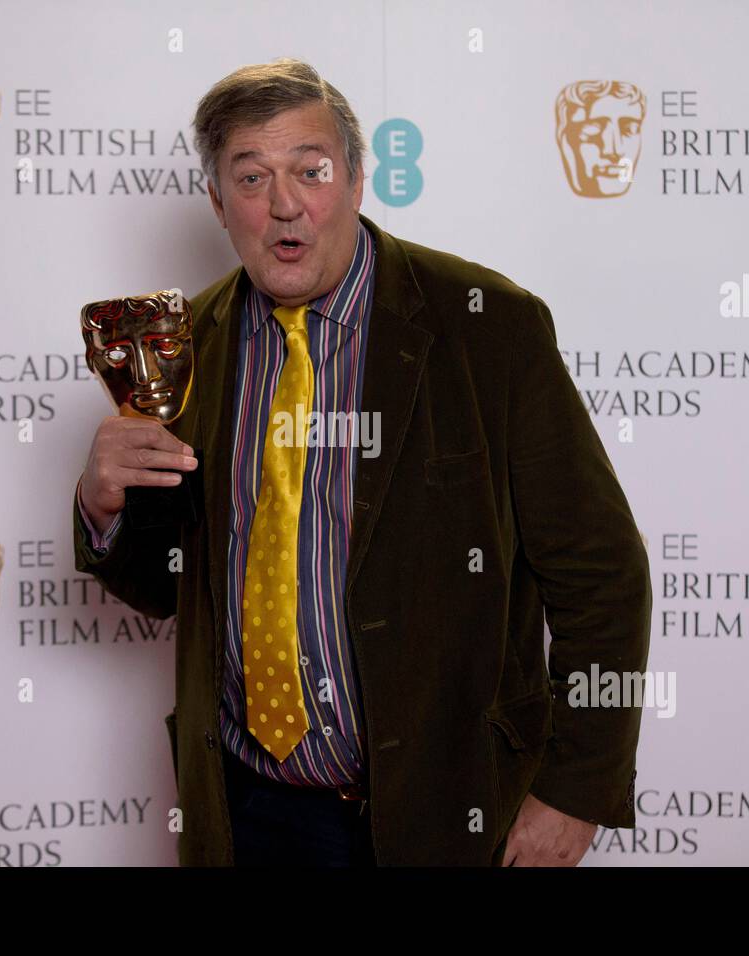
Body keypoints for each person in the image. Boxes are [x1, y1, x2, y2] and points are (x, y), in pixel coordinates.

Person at [73, 58, 651, 866]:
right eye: (251, 177)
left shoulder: (488, 326)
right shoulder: (185, 346)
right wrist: (105, 510)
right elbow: (165, 587)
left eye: (311, 170)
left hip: (448, 811)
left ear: (355, 179)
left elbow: (602, 571)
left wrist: (575, 791)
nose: (285, 204)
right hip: (249, 814)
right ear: (216, 201)